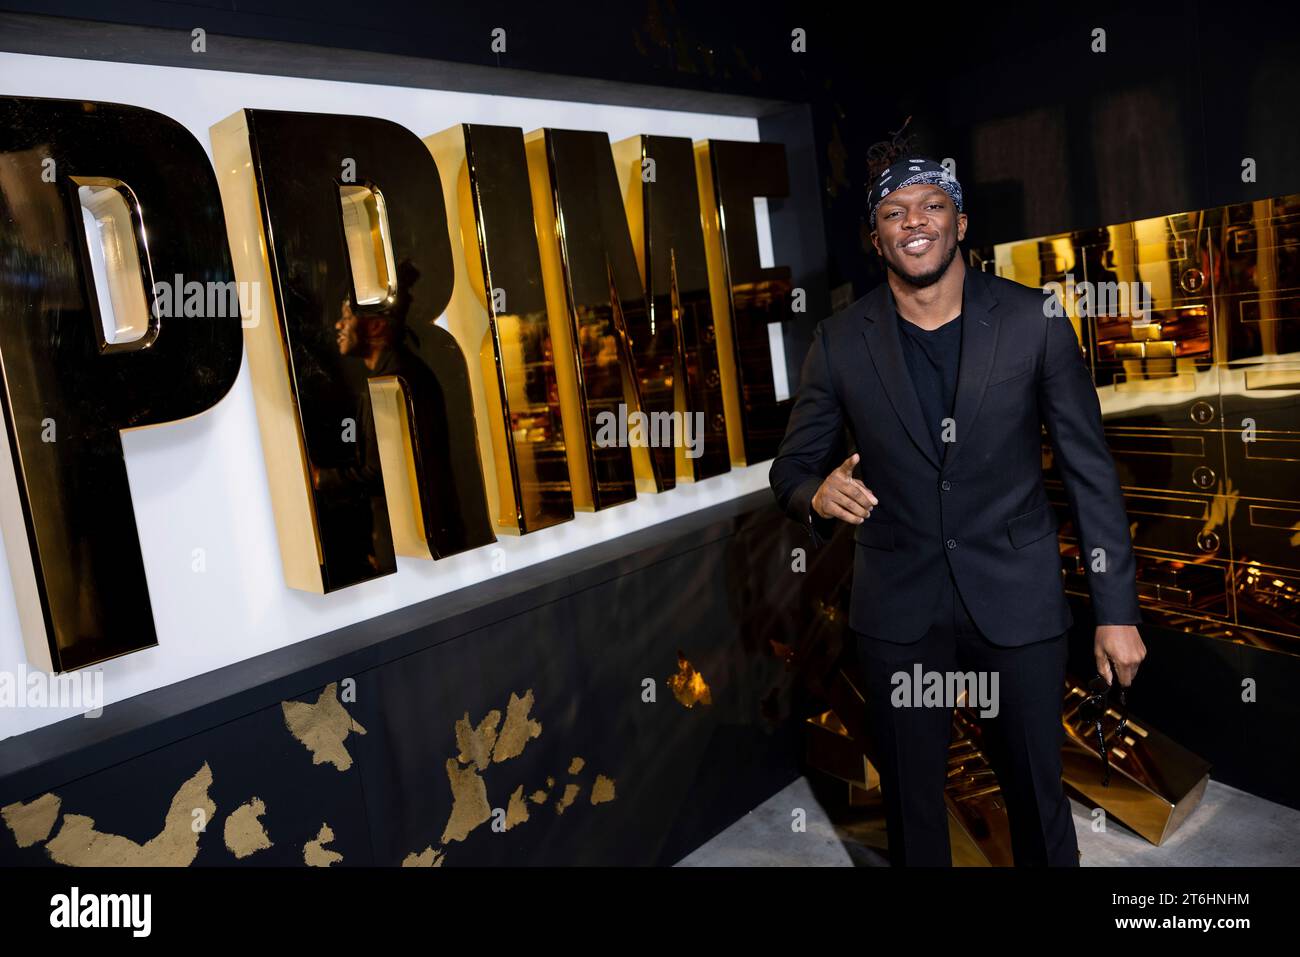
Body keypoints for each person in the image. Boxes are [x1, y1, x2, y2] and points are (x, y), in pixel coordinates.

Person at [769, 153, 1146, 866]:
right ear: (875, 238)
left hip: (1018, 601)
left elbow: (1089, 469)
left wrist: (1116, 610)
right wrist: (814, 493)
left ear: (961, 222)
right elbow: (790, 466)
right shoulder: (840, 341)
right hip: (900, 612)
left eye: (932, 204)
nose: (914, 219)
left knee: (1038, 797)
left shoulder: (1033, 319)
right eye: (893, 211)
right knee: (915, 810)